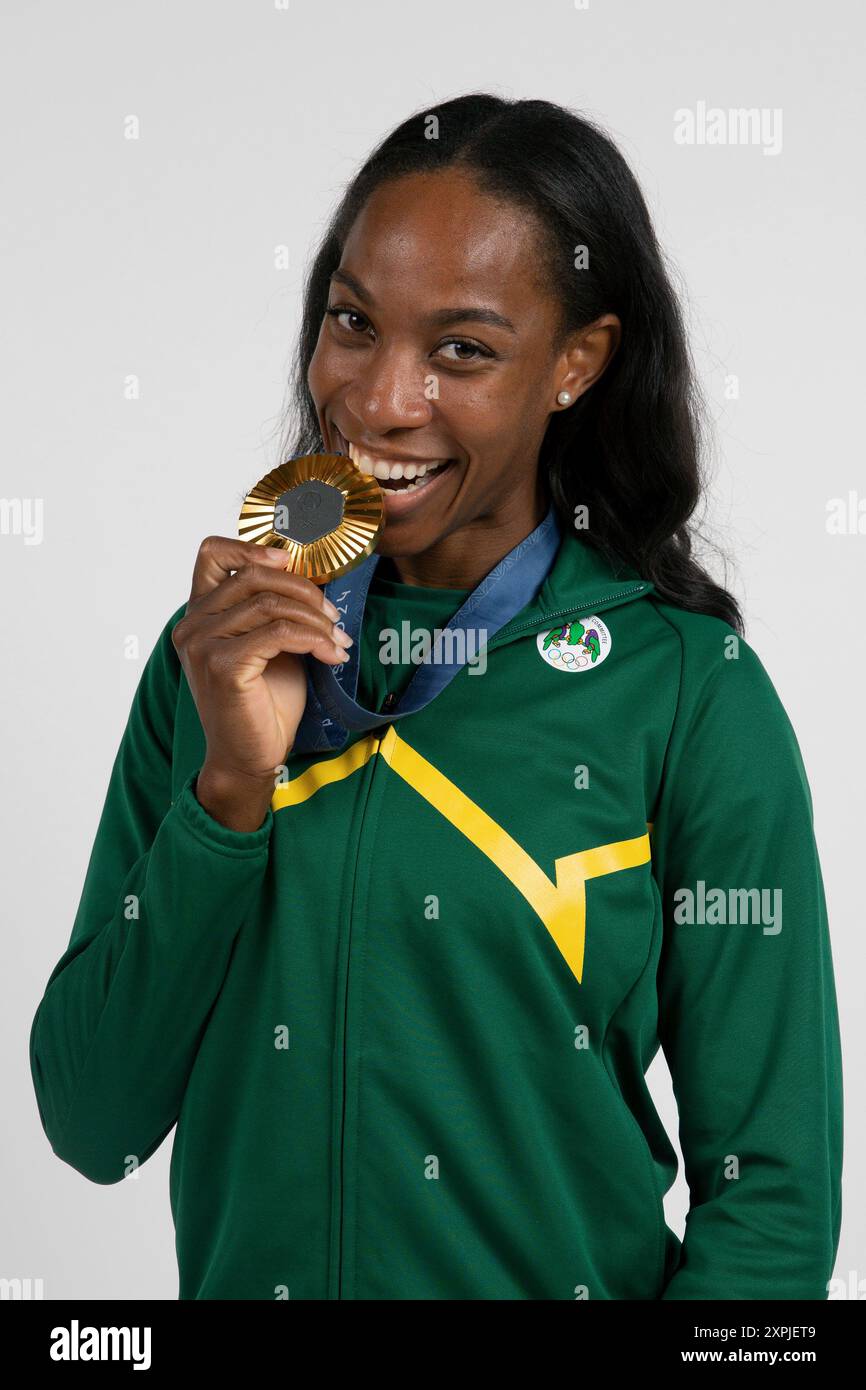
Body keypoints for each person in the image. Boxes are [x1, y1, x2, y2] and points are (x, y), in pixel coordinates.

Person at [29, 94, 843, 1300]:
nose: (378, 400)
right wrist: (227, 792)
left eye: (460, 349)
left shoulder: (686, 695)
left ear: (577, 362)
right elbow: (92, 1122)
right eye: (352, 323)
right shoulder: (214, 658)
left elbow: (771, 1198)